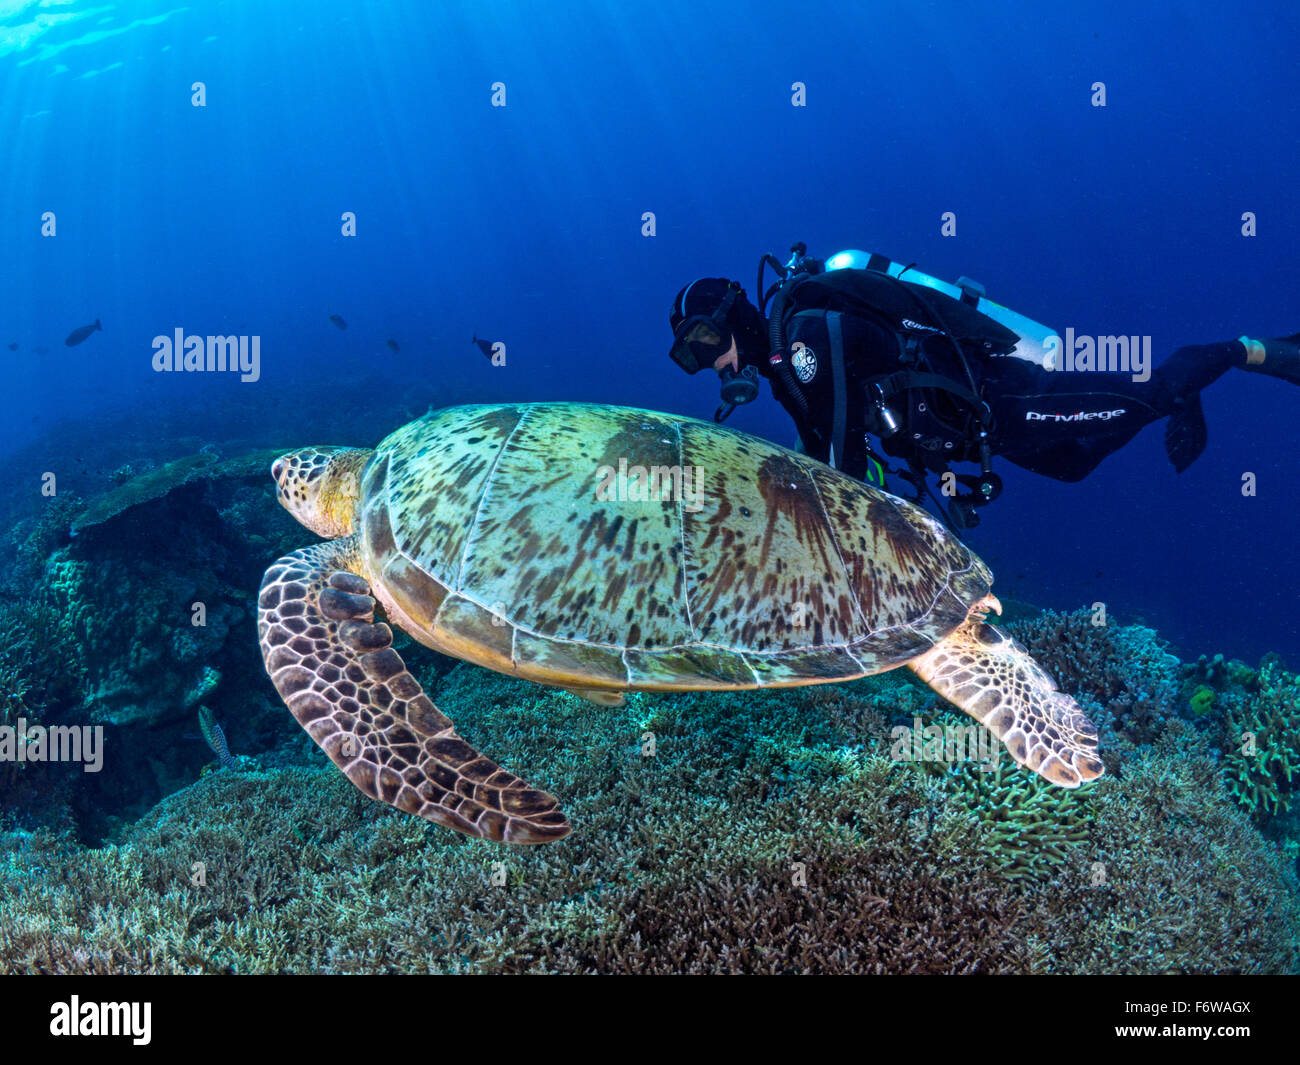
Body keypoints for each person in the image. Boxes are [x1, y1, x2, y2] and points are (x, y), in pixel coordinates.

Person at [668, 244, 1300, 528]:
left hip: (1004, 396)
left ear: (731, 318)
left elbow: (840, 473)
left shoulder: (804, 335)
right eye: (690, 358)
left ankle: (1237, 352)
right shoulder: (787, 374)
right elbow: (838, 457)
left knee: (1147, 395)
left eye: (703, 343)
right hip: (975, 435)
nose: (709, 365)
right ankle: (1176, 395)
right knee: (1076, 467)